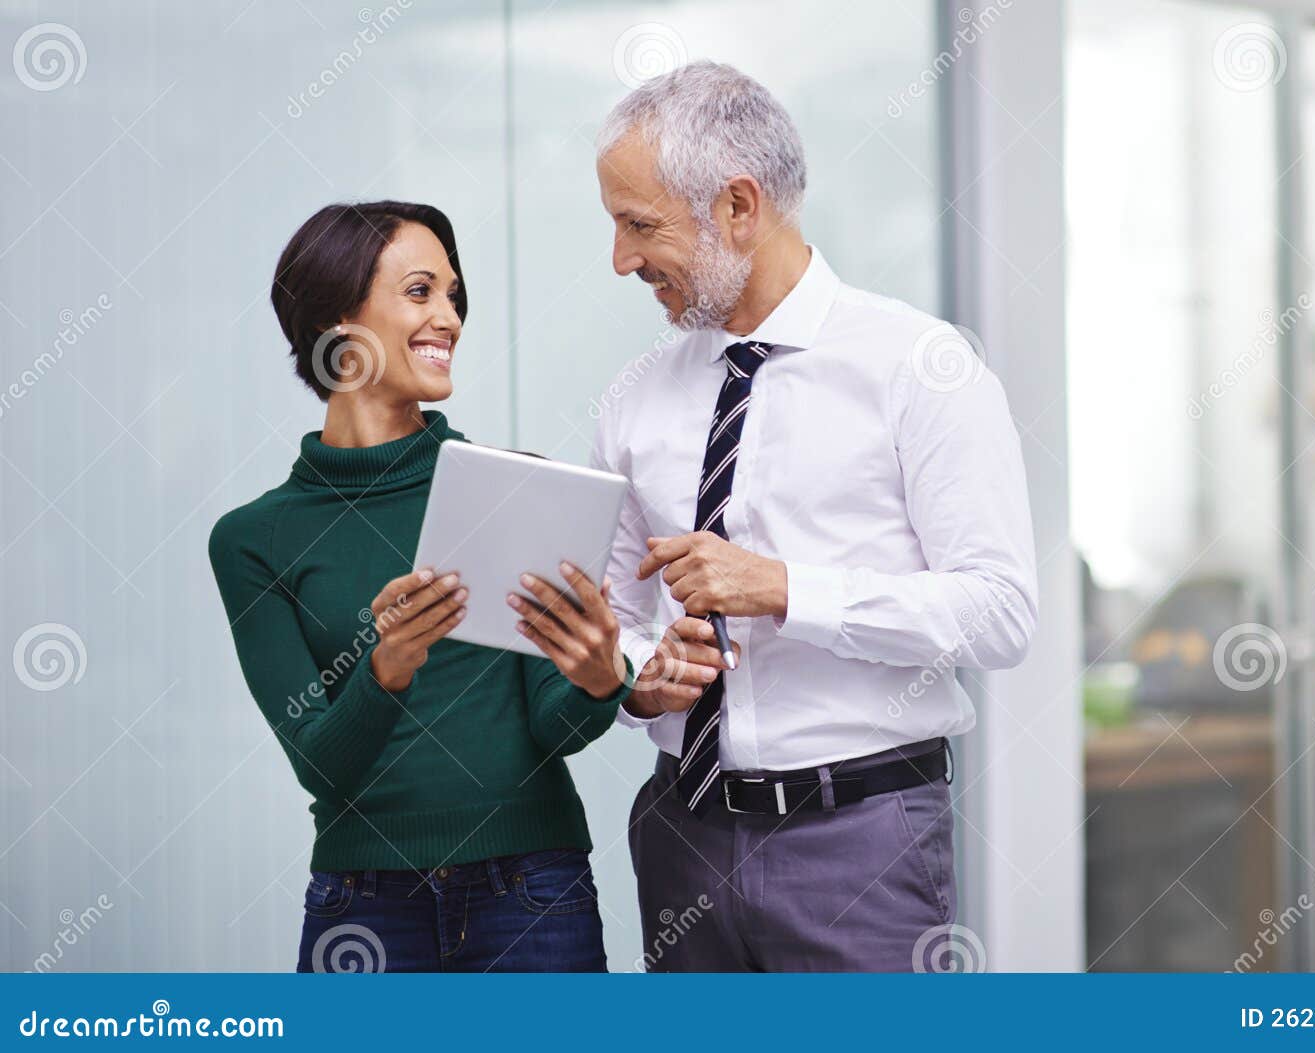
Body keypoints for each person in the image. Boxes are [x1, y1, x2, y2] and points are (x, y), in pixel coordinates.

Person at [591, 62, 1039, 972]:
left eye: (640, 225)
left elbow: (999, 611)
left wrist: (786, 589)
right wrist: (640, 677)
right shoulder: (635, 397)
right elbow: (617, 618)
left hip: (860, 847)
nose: (622, 260)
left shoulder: (919, 367)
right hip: (679, 835)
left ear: (738, 207)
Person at [208, 201, 629, 972]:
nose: (450, 319)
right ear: (337, 319)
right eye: (419, 291)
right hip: (363, 907)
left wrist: (600, 679)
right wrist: (385, 667)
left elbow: (556, 726)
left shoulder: (516, 489)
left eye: (453, 296)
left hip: (532, 893)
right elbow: (320, 764)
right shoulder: (253, 540)